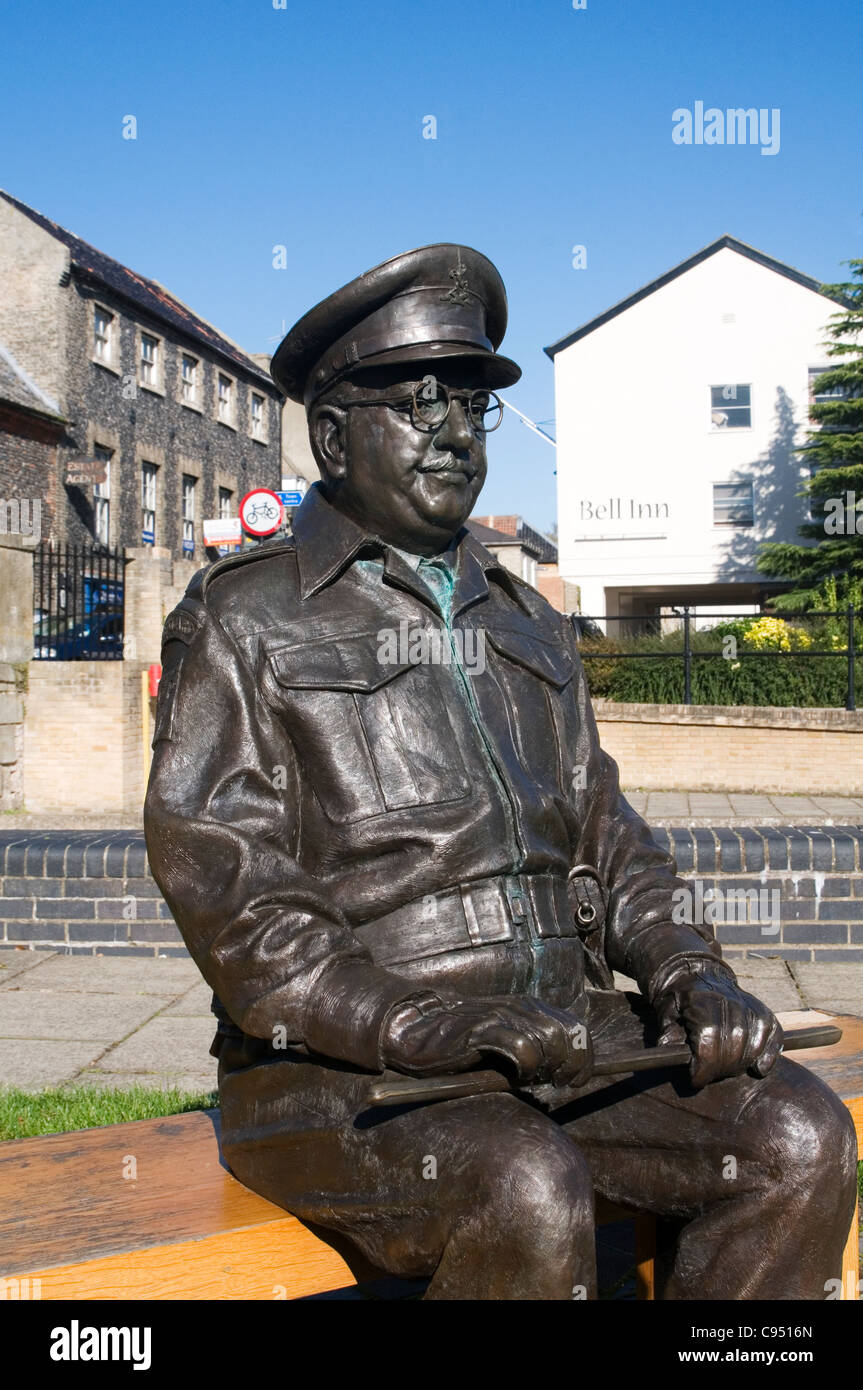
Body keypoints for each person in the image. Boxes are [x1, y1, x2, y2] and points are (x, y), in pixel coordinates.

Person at [144, 244, 857, 1299]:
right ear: (332, 435)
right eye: (416, 399)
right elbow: (234, 897)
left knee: (797, 1136)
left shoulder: (531, 624)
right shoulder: (243, 616)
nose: (451, 428)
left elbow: (610, 844)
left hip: (567, 1041)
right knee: (523, 1184)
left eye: (471, 402)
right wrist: (419, 1022)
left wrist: (683, 969)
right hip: (342, 1072)